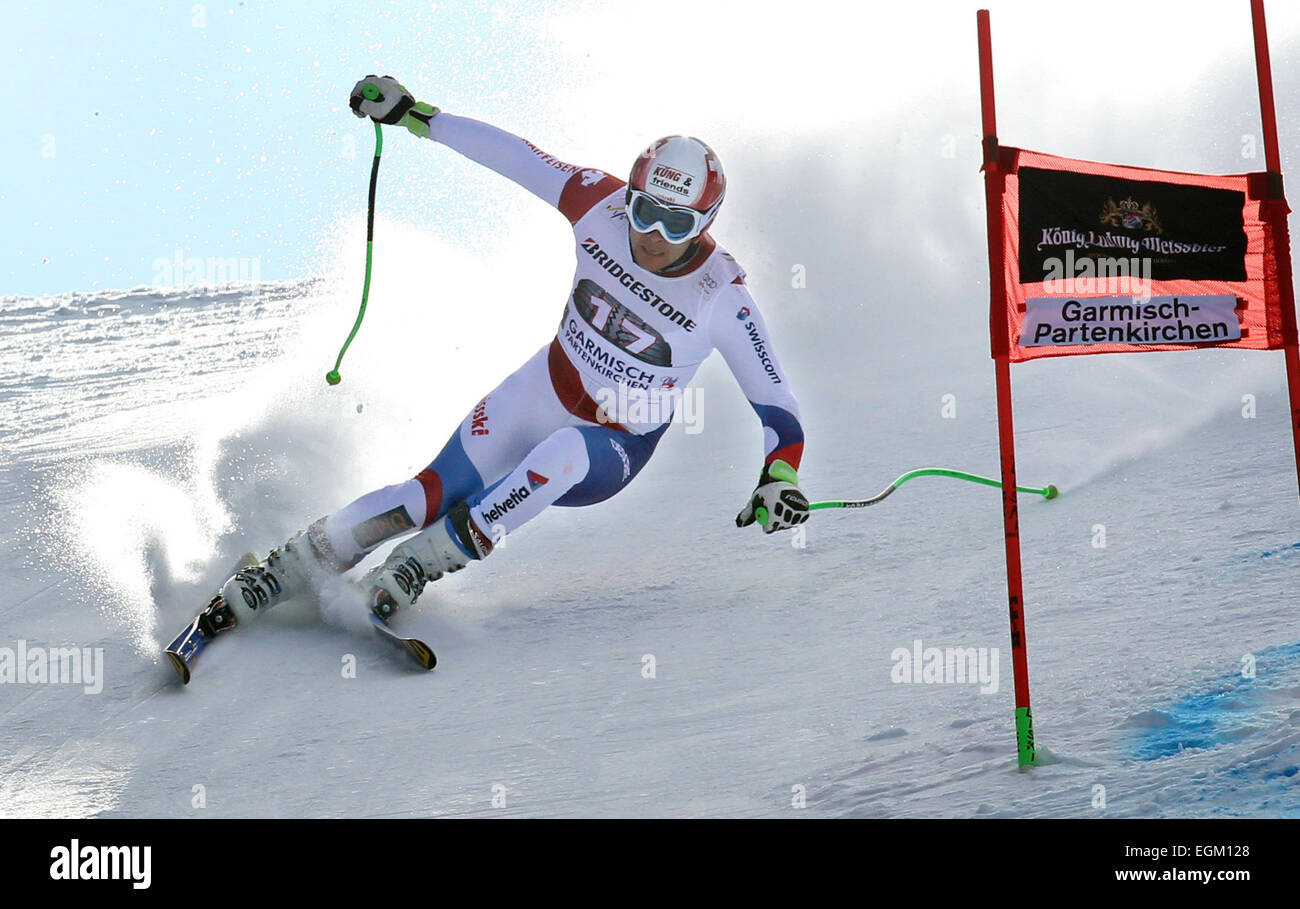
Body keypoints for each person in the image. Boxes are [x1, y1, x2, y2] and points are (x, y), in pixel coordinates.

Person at [201, 75, 809, 636]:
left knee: (563, 453)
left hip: (614, 440)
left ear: (706, 223)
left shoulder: (720, 297)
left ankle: (420, 563)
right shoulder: (598, 202)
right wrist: (416, 115)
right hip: (541, 391)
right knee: (427, 495)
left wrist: (778, 475)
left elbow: (777, 406)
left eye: (676, 225)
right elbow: (516, 156)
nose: (652, 235)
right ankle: (289, 567)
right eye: (645, 211)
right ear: (630, 193)